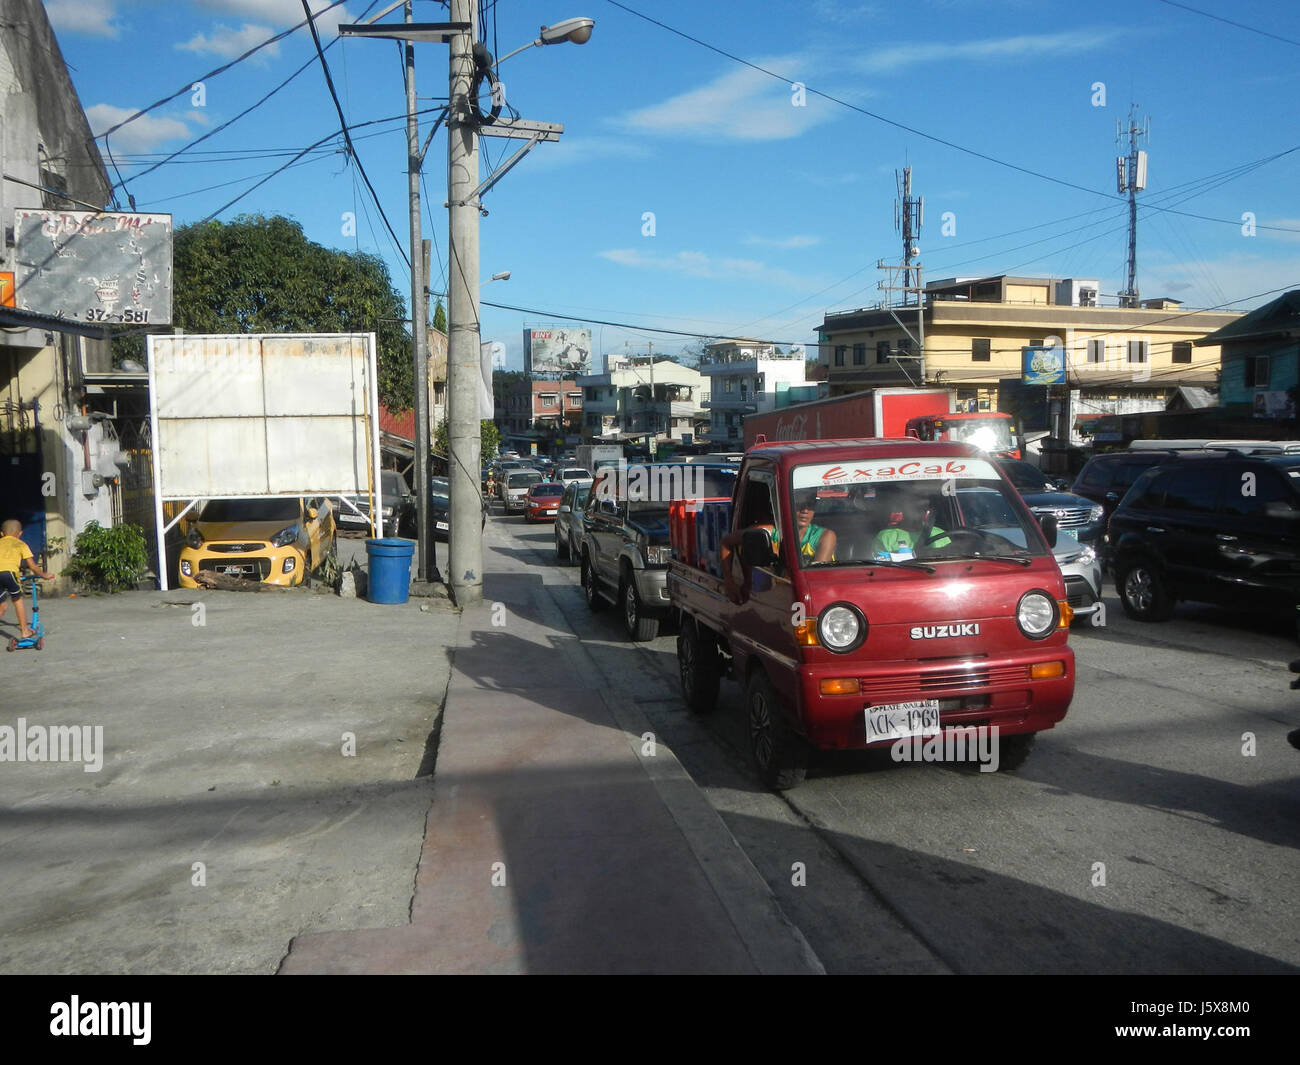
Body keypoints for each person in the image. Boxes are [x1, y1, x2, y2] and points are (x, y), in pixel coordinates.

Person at [0, 519, 54, 640]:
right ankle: (25, 631)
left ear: (2, 534)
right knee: (17, 599)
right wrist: (44, 575)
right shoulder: (21, 544)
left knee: (2, 605)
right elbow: (33, 566)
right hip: (9, 573)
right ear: (20, 534)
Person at [869, 486, 950, 558]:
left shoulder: (942, 535)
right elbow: (880, 571)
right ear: (901, 506)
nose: (920, 503)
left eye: (923, 500)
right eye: (914, 499)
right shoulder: (886, 538)